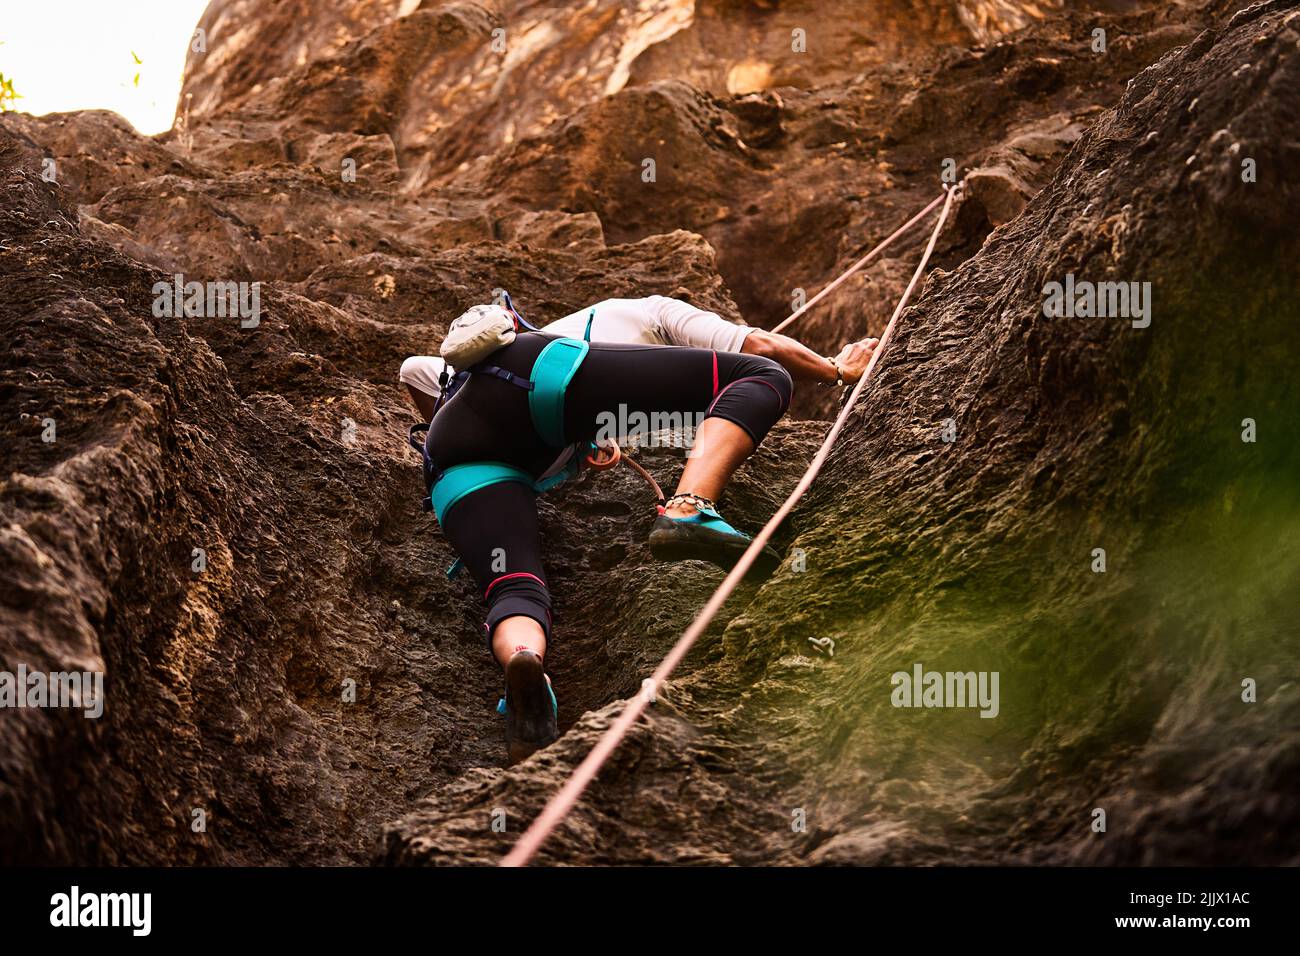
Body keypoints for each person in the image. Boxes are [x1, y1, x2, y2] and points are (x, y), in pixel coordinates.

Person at [405, 296, 877, 762]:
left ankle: (524, 662)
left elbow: (413, 370)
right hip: (540, 376)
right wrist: (837, 369)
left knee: (516, 587)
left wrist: (563, 439)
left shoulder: (472, 373)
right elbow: (764, 349)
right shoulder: (655, 309)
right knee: (760, 377)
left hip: (452, 453)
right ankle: (688, 508)